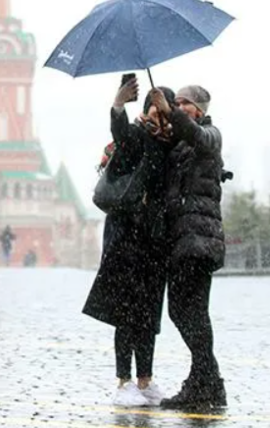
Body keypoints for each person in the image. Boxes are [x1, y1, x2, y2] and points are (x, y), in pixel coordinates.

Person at [84, 78, 171, 408]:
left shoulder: (170, 146)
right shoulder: (136, 137)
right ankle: (123, 382)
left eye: (161, 111)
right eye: (150, 109)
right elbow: (120, 132)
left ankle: (145, 380)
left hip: (154, 241)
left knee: (148, 314)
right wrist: (119, 105)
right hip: (125, 237)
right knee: (126, 312)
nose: (155, 117)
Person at [149, 85, 228, 411]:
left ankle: (208, 382)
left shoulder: (210, 134)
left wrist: (170, 111)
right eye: (176, 101)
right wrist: (158, 125)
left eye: (184, 103)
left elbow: (196, 135)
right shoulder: (181, 140)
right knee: (191, 313)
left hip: (198, 238)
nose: (179, 106)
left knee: (187, 312)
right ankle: (204, 383)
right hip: (185, 239)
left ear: (199, 108)